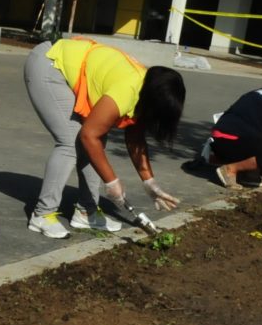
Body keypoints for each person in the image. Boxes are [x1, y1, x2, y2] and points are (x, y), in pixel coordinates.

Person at [24, 37, 185, 239]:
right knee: (71, 141)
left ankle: (86, 211)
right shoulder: (127, 90)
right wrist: (112, 182)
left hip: (65, 65)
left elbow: (135, 137)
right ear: (153, 103)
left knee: (95, 143)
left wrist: (149, 182)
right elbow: (88, 135)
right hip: (49, 65)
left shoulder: (147, 91)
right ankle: (42, 214)